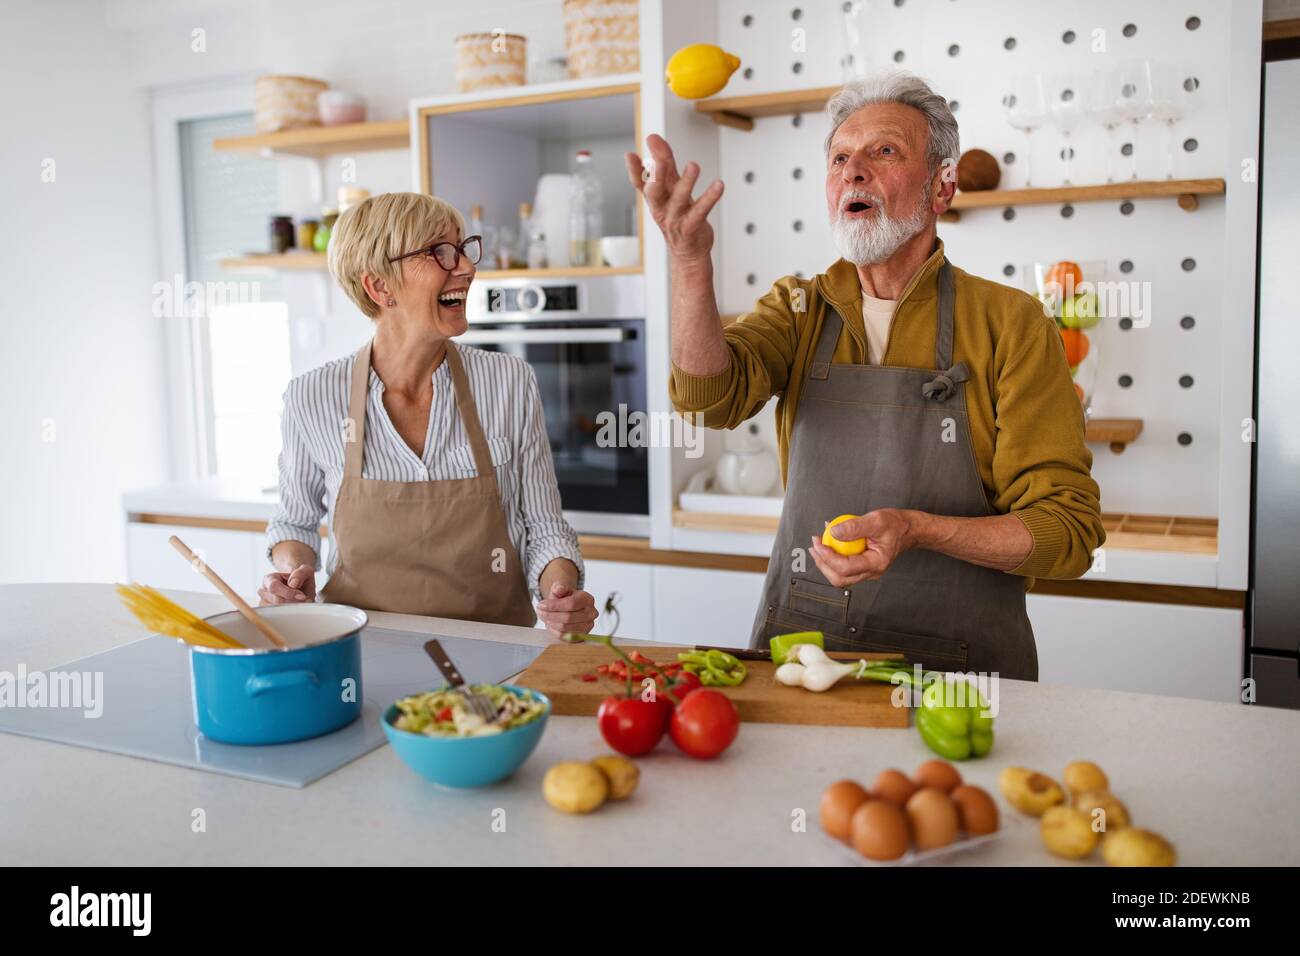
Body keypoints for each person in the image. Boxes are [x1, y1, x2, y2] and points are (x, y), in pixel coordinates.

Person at [626, 73, 1105, 679]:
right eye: (839, 158)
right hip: (805, 657)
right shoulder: (798, 309)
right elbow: (706, 401)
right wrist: (690, 262)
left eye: (884, 152)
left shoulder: (1013, 323)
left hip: (958, 674)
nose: (853, 171)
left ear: (942, 187)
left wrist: (914, 529)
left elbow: (1067, 531)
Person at [260, 192, 598, 637]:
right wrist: (291, 574)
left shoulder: (509, 381)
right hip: (361, 650)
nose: (466, 267)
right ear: (380, 287)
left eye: (462, 248)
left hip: (496, 658)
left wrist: (560, 591)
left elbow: (544, 527)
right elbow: (294, 523)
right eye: (439, 253)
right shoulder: (312, 397)